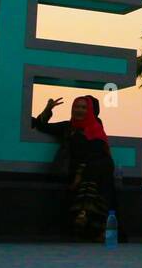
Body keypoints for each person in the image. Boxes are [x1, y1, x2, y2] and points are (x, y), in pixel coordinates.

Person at [33, 94, 116, 241]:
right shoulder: (68, 127)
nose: (79, 110)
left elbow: (98, 154)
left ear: (90, 110)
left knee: (96, 180)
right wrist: (47, 110)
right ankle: (88, 225)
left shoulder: (95, 128)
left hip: (96, 170)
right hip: (77, 171)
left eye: (84, 107)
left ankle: (94, 226)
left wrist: (80, 174)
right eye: (77, 107)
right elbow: (40, 125)